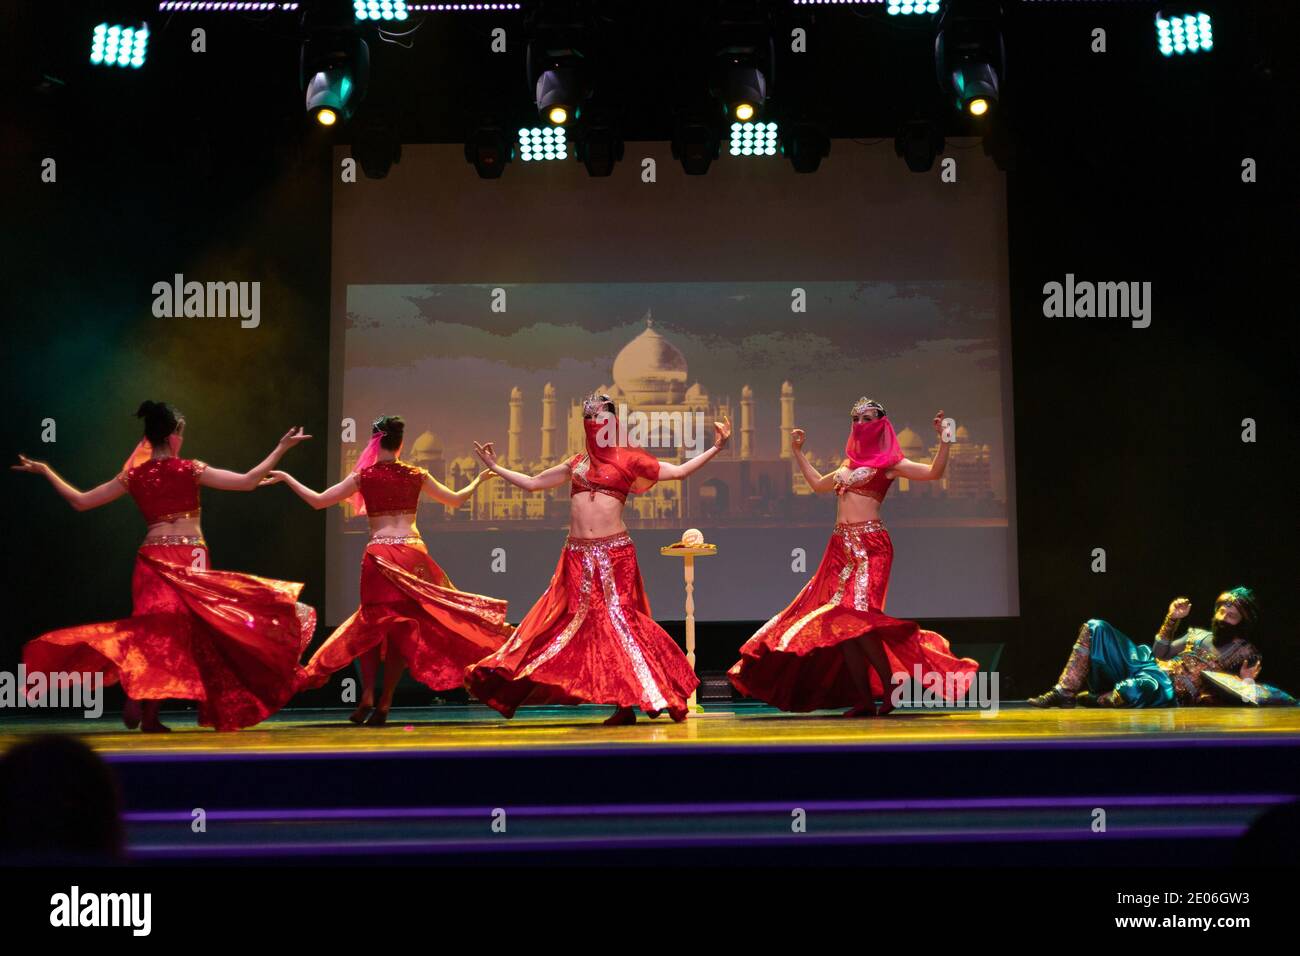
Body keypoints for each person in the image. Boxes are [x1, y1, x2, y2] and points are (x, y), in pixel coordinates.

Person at [16, 401, 315, 732]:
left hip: (152, 558)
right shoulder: (190, 469)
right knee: (188, 634)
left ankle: (142, 700)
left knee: (153, 632)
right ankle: (152, 709)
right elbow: (246, 482)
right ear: (175, 434)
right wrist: (281, 448)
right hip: (190, 558)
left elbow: (81, 501)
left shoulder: (133, 476)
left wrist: (46, 470)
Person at [465, 392, 731, 725]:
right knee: (569, 626)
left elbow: (677, 472)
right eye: (589, 419)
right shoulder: (576, 463)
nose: (595, 424)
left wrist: (716, 448)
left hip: (614, 554)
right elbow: (533, 483)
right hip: (576, 556)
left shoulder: (630, 460)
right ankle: (607, 698)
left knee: (620, 625)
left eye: (600, 418)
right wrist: (495, 467)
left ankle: (634, 701)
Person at [728, 397, 979, 716]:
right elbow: (819, 484)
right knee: (839, 626)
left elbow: (932, 473)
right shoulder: (846, 466)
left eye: (868, 418)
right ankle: (863, 698)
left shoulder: (890, 463)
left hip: (871, 547)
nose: (861, 424)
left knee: (857, 622)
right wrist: (797, 452)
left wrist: (945, 439)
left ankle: (891, 688)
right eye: (856, 419)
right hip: (840, 549)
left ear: (881, 424)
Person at [266, 415, 512, 726]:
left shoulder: (364, 476)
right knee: (400, 627)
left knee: (370, 625)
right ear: (401, 444)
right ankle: (385, 700)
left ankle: (368, 695)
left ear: (374, 441)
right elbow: (456, 500)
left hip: (379, 555)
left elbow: (318, 501)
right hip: (413, 554)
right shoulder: (415, 474)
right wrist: (478, 480)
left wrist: (288, 477)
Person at [1028, 587, 1264, 708]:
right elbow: (1159, 653)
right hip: (1149, 667)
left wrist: (1246, 683)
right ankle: (1065, 692)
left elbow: (1246, 699)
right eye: (1221, 611)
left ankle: (1098, 699)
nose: (1223, 618)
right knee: (1095, 627)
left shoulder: (1246, 652)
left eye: (1231, 615)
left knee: (1146, 685)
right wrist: (1172, 619)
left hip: (1169, 691)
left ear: (1243, 621)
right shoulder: (1199, 634)